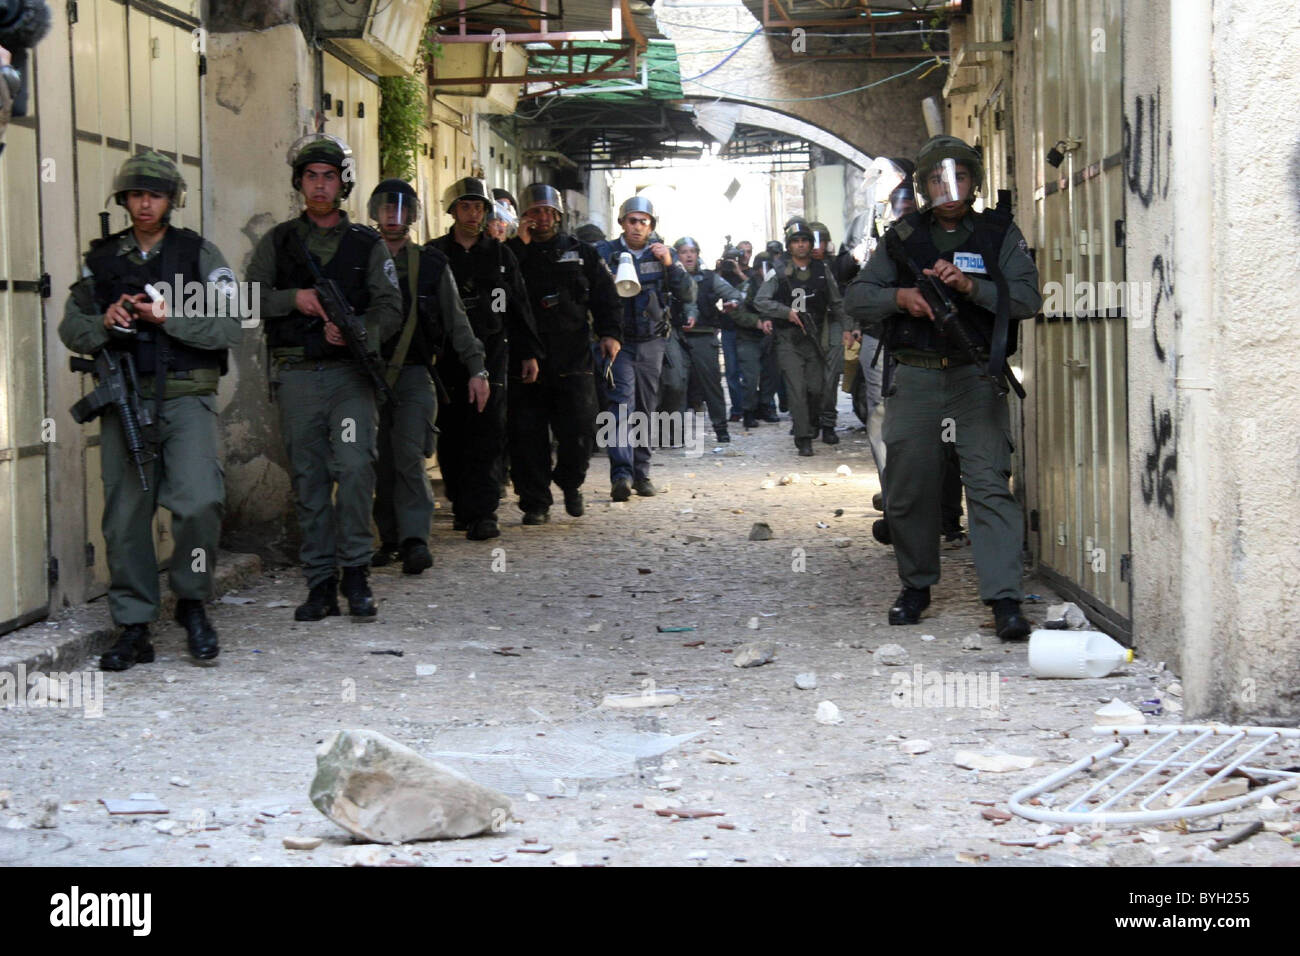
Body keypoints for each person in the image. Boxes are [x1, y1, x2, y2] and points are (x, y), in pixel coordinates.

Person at [844, 134, 1041, 640]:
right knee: (908, 489)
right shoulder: (904, 237)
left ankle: (1004, 599)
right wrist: (902, 298)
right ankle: (916, 586)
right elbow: (859, 298)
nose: (948, 187)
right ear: (925, 187)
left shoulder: (998, 233)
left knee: (989, 486)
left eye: (958, 176)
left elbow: (1026, 299)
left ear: (974, 182)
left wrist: (971, 287)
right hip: (915, 375)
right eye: (936, 179)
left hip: (975, 376)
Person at [59, 151, 239, 669]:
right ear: (124, 200)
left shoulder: (199, 253)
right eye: (136, 194)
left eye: (154, 195)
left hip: (185, 396)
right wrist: (105, 322)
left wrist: (169, 317)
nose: (144, 203)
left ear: (171, 201)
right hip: (126, 398)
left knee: (201, 501)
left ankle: (192, 601)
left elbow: (231, 324)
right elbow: (71, 326)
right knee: (125, 516)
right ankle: (134, 623)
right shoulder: (103, 260)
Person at [246, 133, 402, 621]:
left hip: (348, 377)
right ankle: (319, 583)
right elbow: (249, 297)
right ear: (299, 184)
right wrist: (294, 299)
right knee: (310, 480)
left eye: (328, 177)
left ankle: (355, 572)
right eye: (311, 177)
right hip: (296, 375)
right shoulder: (279, 241)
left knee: (354, 470)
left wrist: (358, 332)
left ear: (341, 184)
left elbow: (390, 306)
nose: (319, 185)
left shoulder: (365, 243)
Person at [367, 179, 488, 571]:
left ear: (413, 216)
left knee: (408, 456)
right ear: (375, 212)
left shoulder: (432, 263)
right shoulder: (359, 257)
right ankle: (390, 539)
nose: (393, 216)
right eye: (387, 208)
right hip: (365, 376)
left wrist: (477, 368)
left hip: (416, 373)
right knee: (379, 460)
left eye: (402, 209)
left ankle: (416, 539)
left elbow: (457, 321)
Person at [429, 177, 541, 537]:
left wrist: (527, 354)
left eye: (478, 207)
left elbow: (518, 307)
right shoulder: (434, 255)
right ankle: (462, 504)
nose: (473, 214)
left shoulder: (500, 255)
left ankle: (483, 512)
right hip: (447, 358)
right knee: (452, 432)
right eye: (466, 206)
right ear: (452, 210)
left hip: (492, 354)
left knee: (489, 431)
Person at [506, 184, 621, 522]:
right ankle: (535, 502)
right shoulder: (511, 254)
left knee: (580, 429)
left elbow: (605, 296)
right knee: (527, 436)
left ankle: (570, 482)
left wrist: (610, 334)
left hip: (572, 356)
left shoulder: (581, 252)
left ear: (557, 215)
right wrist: (518, 248)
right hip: (526, 356)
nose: (542, 218)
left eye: (548, 212)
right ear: (525, 216)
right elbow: (501, 290)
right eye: (535, 211)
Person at [594, 197, 694, 499]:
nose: (637, 227)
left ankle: (642, 473)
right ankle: (621, 475)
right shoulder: (604, 254)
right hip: (618, 342)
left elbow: (688, 291)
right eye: (632, 220)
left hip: (653, 340)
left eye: (644, 221)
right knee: (620, 405)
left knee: (646, 408)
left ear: (652, 225)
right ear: (622, 223)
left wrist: (670, 263)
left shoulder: (663, 254)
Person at [754, 220, 846, 456]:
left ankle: (812, 423)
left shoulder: (822, 270)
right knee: (796, 388)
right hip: (788, 338)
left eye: (804, 240)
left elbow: (836, 302)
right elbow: (760, 300)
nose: (801, 245)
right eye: (795, 241)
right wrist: (786, 312)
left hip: (815, 338)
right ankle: (803, 437)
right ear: (789, 245)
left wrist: (848, 327)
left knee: (816, 389)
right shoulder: (779, 271)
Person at [671, 236, 741, 443]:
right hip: (675, 336)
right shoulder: (669, 277)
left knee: (711, 385)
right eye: (684, 252)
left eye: (692, 251)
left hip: (703, 336)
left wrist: (733, 302)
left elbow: (735, 294)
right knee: (676, 385)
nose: (689, 255)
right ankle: (674, 433)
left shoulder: (710, 278)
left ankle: (721, 428)